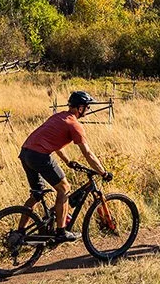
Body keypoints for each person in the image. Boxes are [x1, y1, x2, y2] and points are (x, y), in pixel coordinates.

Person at [19, 90, 110, 241]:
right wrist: (103, 172)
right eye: (87, 107)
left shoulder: (59, 116)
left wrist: (68, 162)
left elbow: (54, 143)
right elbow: (88, 153)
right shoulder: (74, 125)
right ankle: (61, 232)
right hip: (39, 156)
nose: (88, 110)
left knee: (36, 194)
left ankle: (20, 232)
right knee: (65, 188)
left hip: (26, 153)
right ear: (80, 108)